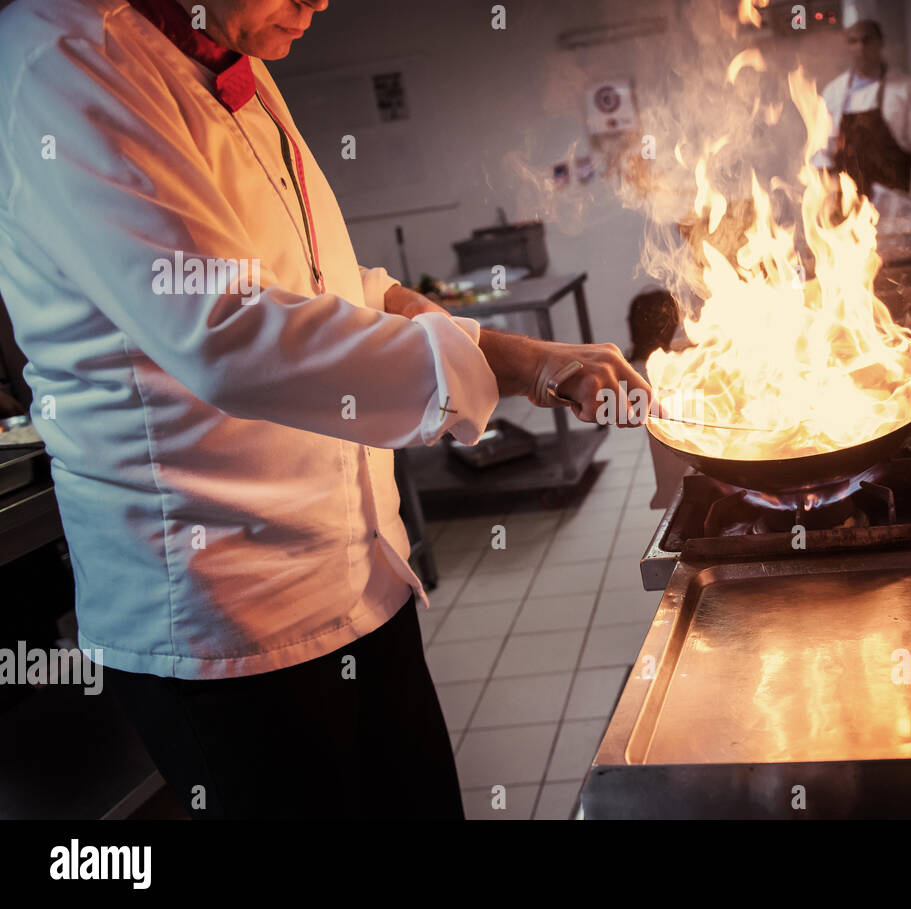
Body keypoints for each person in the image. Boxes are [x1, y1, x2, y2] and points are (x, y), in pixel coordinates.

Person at [0, 0, 649, 819]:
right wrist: (492, 373)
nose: (319, 2)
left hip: (356, 578)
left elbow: (337, 289)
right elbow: (227, 333)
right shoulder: (66, 54)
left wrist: (533, 363)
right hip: (227, 627)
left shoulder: (236, 62)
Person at [812, 0, 911, 203]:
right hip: (849, 209)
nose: (860, 47)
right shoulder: (832, 93)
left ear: (880, 42)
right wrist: (830, 198)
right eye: (853, 41)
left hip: (899, 204)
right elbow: (821, 154)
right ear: (847, 46)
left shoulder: (906, 89)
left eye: (867, 40)